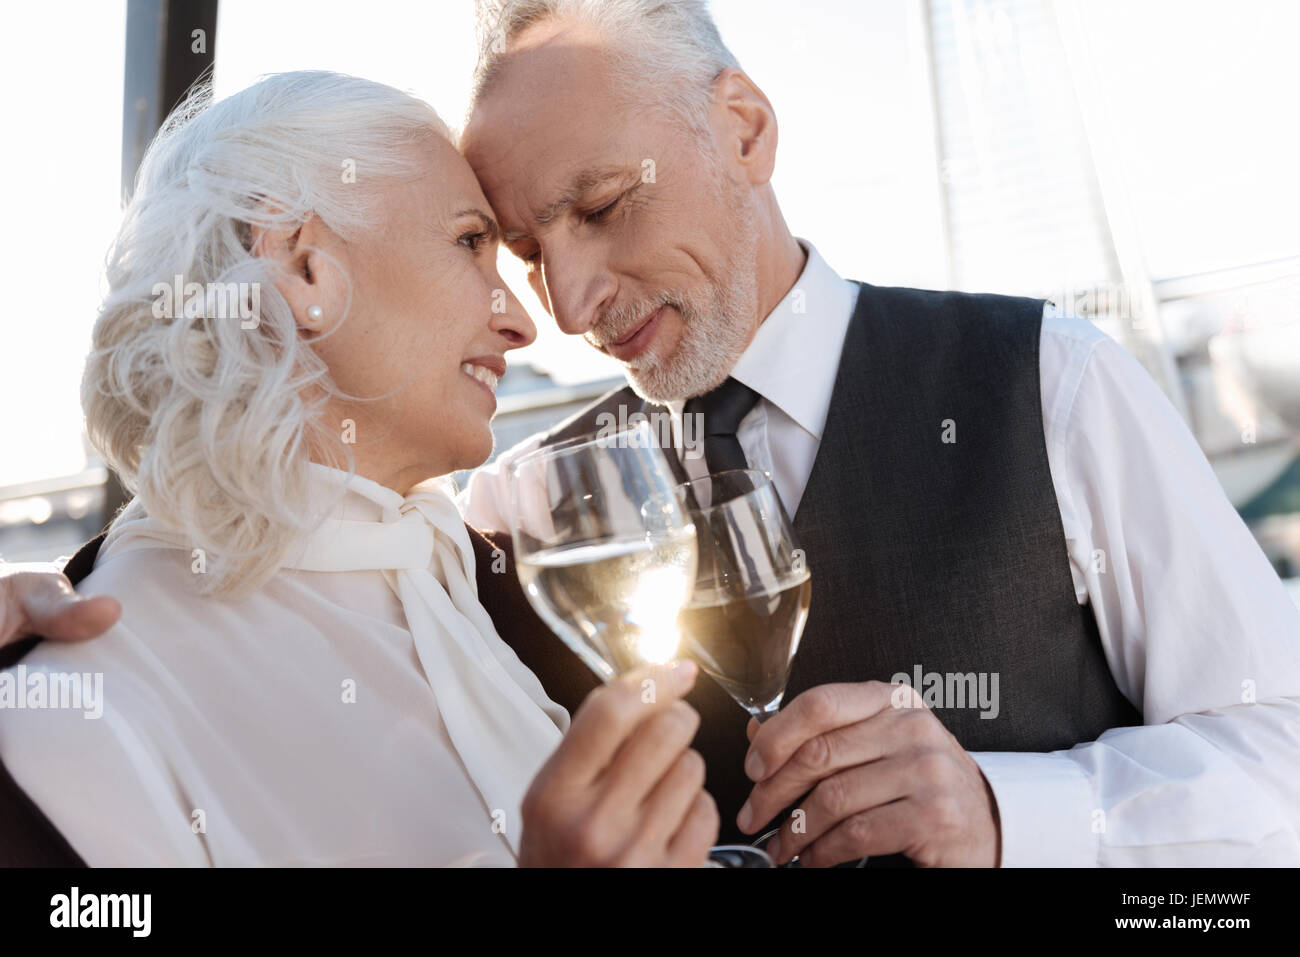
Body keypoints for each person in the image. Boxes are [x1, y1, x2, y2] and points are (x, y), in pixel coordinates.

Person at [7, 0, 1300, 867]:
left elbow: (1282, 766)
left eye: (605, 204)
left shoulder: (1052, 385)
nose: (563, 307)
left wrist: (1014, 813)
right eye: (509, 246)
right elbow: (257, 546)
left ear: (743, 127)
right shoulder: (504, 525)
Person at [0, 71, 718, 867]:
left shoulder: (499, 586)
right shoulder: (79, 703)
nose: (522, 322)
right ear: (302, 266)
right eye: (469, 242)